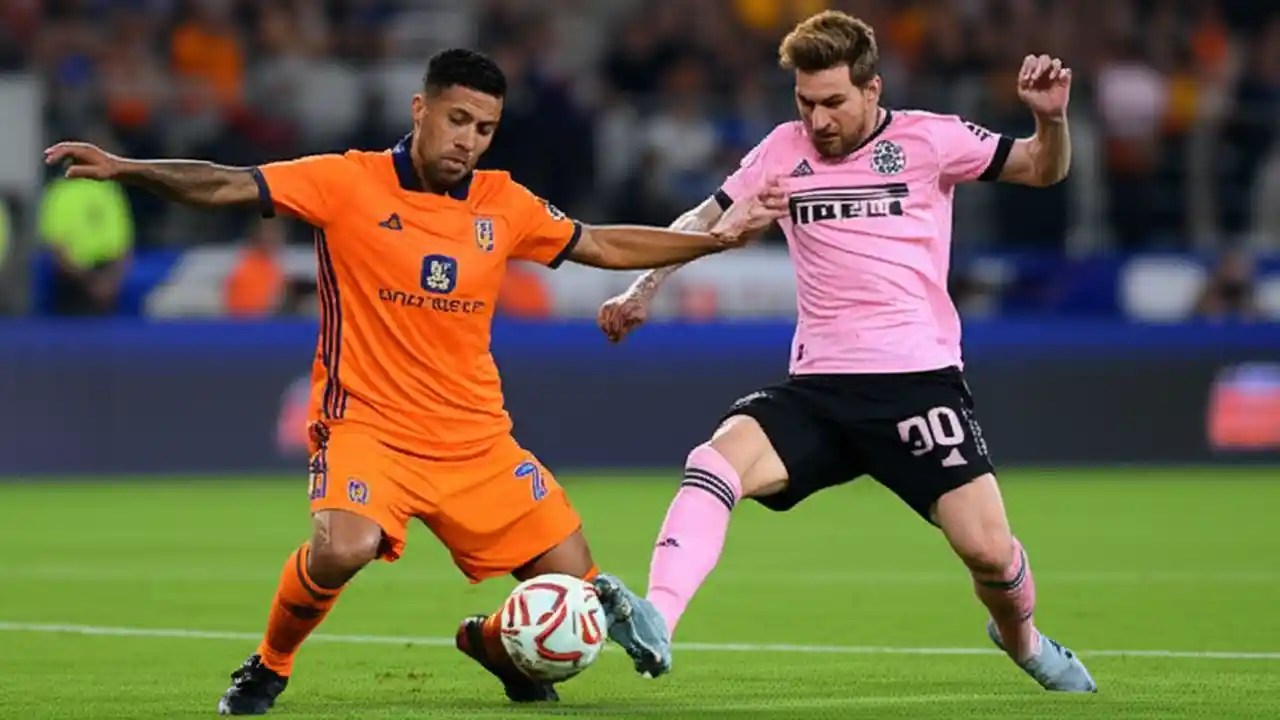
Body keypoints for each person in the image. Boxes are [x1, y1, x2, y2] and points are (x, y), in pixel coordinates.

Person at [45, 48, 786, 715]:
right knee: (343, 547)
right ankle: (269, 666)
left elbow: (598, 243)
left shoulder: (503, 203)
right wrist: (129, 169)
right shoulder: (345, 181)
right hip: (368, 427)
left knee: (576, 596)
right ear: (420, 110)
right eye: (458, 120)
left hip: (476, 441)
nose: (469, 140)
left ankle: (495, 646)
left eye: (485, 128)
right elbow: (227, 185)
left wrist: (711, 241)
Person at [597, 11, 1096, 692]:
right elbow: (702, 220)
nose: (818, 120)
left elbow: (1042, 167)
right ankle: (658, 617)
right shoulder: (782, 149)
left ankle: (1026, 642)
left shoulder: (931, 139)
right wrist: (643, 288)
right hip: (821, 388)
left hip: (917, 385)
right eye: (805, 103)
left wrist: (1051, 120)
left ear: (872, 89)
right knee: (714, 461)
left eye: (833, 102)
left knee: (989, 553)